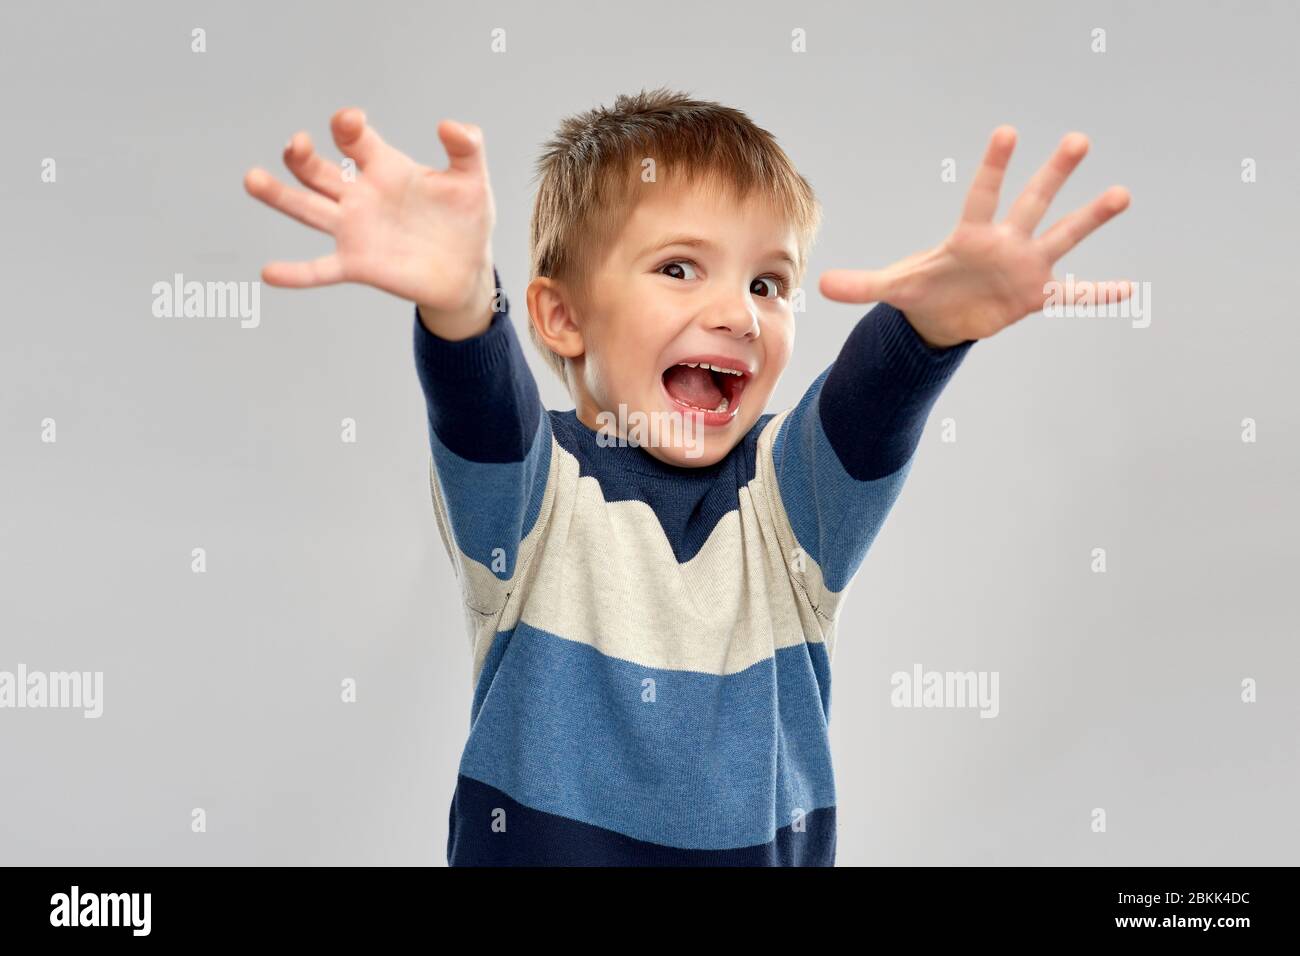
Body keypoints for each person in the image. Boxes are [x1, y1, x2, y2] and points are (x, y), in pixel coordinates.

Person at [244, 87, 1131, 865]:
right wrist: (461, 305)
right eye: (679, 268)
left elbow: (866, 409)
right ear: (560, 315)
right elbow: (482, 415)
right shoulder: (534, 499)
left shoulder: (787, 512)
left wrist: (930, 329)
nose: (737, 315)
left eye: (769, 284)